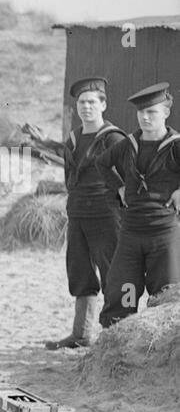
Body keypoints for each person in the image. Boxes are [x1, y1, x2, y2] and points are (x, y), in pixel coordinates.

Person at [22, 77, 126, 348]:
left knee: (112, 274)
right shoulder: (75, 137)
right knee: (80, 273)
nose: (86, 107)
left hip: (106, 215)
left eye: (92, 102)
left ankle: (117, 337)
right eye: (81, 102)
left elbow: (129, 178)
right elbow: (69, 166)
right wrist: (44, 142)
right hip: (78, 213)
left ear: (103, 104)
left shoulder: (114, 138)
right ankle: (81, 335)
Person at [96, 82, 180, 327]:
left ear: (165, 113)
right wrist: (119, 187)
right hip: (130, 234)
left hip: (164, 234)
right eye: (141, 112)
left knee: (166, 296)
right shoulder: (127, 145)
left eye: (151, 112)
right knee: (122, 292)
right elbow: (101, 164)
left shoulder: (176, 145)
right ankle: (114, 351)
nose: (145, 117)